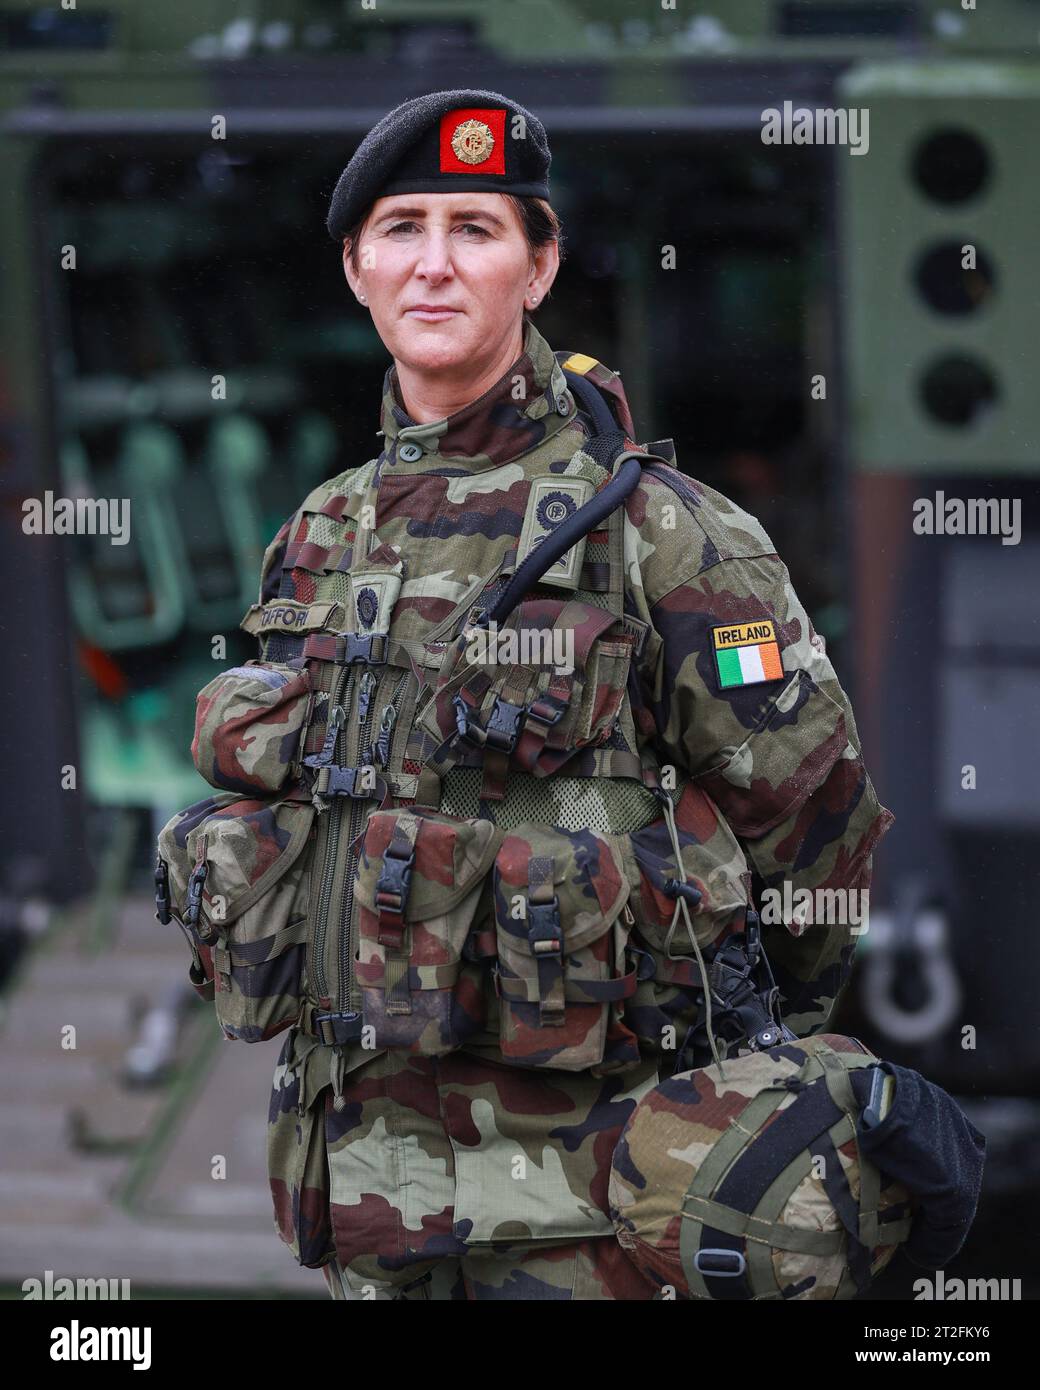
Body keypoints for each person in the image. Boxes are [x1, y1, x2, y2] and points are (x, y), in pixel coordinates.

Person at [234, 89, 895, 1301]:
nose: (432, 264)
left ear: (538, 267)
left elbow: (819, 834)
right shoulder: (318, 533)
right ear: (353, 266)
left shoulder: (667, 535)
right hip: (370, 1205)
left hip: (587, 1220)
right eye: (400, 228)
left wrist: (731, 1049)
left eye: (476, 230)